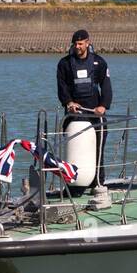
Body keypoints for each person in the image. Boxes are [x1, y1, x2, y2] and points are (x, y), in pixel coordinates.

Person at [55, 29, 112, 188]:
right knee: (73, 147)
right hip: (74, 112)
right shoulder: (64, 64)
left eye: (80, 44)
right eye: (75, 44)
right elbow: (62, 87)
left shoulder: (99, 62)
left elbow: (106, 85)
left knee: (98, 147)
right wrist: (68, 102)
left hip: (95, 111)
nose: (77, 47)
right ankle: (71, 184)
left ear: (88, 43)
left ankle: (98, 182)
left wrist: (103, 105)